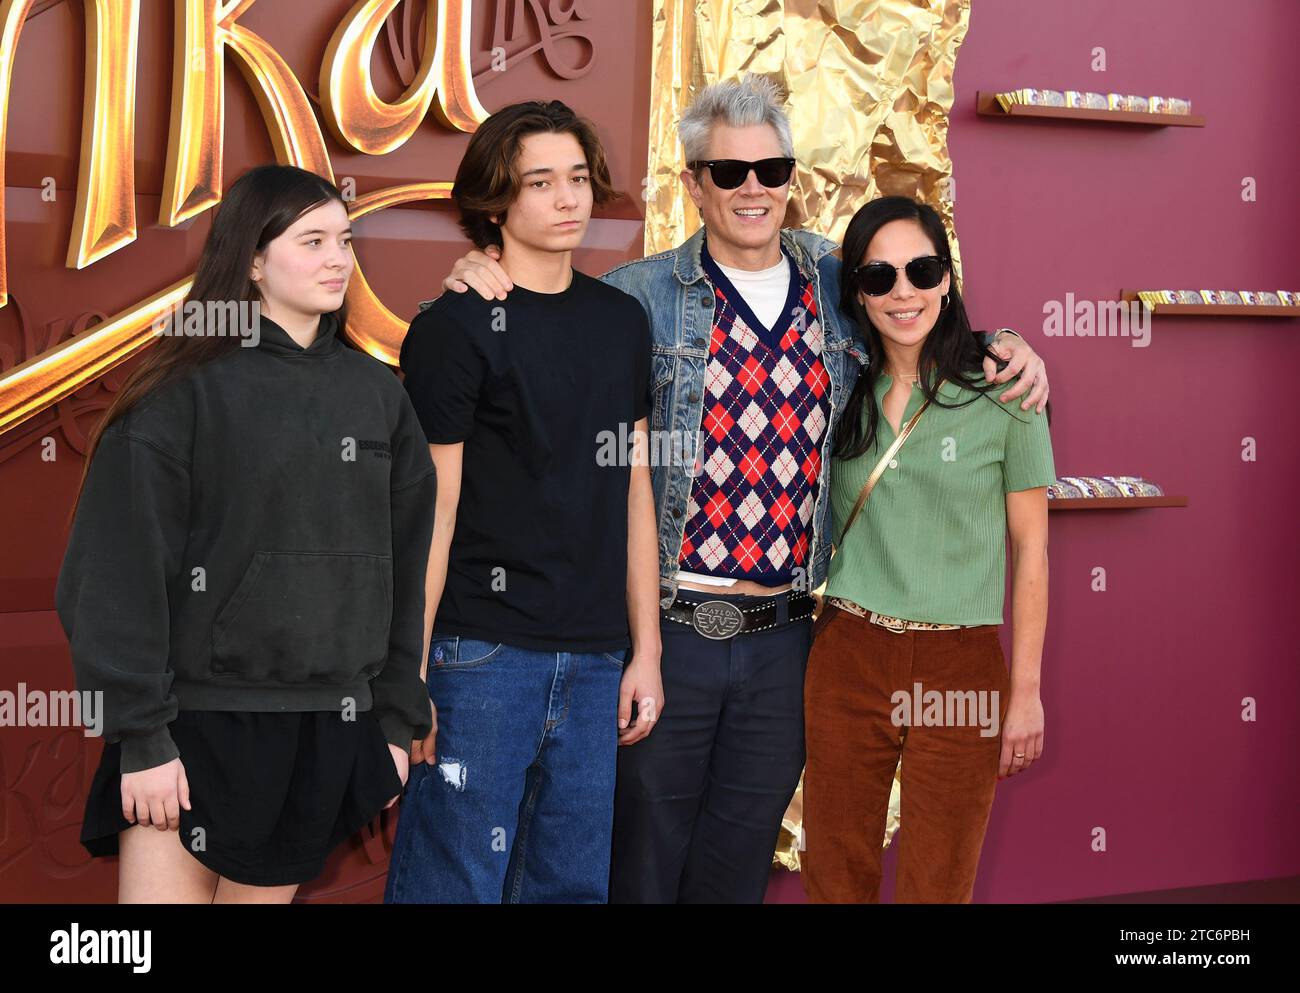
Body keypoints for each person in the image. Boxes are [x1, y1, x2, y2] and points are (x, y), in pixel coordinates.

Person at [439, 75, 1050, 903]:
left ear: (792, 177)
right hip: (669, 634)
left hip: (787, 639)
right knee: (637, 865)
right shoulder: (636, 299)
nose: (753, 188)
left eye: (772, 168)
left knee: (737, 869)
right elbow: (512, 327)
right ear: (693, 183)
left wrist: (1006, 343)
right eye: (728, 172)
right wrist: (471, 269)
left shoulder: (843, 286)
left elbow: (924, 316)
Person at [57, 164, 437, 903]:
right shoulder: (179, 391)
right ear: (253, 260)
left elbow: (403, 571)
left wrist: (395, 722)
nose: (338, 258)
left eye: (346, 240)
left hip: (325, 729)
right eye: (313, 240)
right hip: (192, 728)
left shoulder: (379, 397)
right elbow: (115, 576)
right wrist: (142, 737)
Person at [382, 100, 662, 904]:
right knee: (451, 883)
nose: (568, 198)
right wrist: (411, 670)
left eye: (577, 178)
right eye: (541, 182)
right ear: (496, 200)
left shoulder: (621, 321)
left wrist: (645, 649)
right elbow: (430, 516)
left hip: (597, 658)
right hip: (480, 658)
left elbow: (634, 489)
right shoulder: (454, 328)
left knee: (570, 888)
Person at [802, 196, 1053, 903]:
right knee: (835, 878)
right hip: (847, 653)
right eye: (878, 277)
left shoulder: (1008, 391)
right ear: (856, 291)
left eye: (922, 269)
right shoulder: (838, 381)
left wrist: (1026, 693)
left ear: (948, 278)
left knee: (938, 881)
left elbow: (1032, 549)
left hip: (960, 664)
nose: (903, 290)